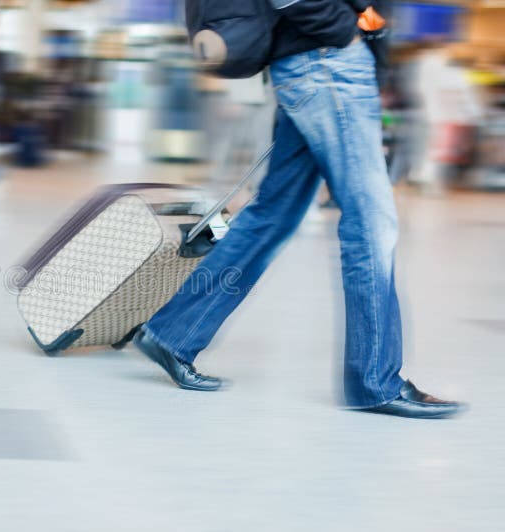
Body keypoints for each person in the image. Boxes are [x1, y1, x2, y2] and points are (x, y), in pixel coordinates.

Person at [133, 0, 465, 419]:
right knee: (371, 221)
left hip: (321, 62)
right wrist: (342, 31)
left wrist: (369, 35)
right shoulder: (331, 39)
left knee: (273, 214)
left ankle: (174, 333)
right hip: (327, 63)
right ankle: (375, 381)